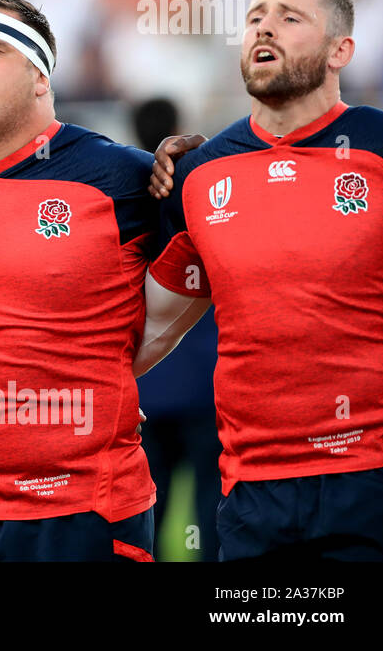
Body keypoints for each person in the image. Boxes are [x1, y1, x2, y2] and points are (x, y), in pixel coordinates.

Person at [0, 0, 208, 562]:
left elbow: (214, 266)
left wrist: (204, 174)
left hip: (86, 510)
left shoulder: (124, 177)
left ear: (40, 77)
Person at [148, 0, 383, 561]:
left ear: (341, 50)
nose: (265, 28)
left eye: (290, 18)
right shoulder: (200, 173)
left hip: (373, 478)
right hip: (251, 492)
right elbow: (153, 327)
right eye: (255, 17)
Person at [129, 97, 222, 561]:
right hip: (206, 387)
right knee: (211, 518)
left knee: (150, 515)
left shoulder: (125, 200)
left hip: (149, 390)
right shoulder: (200, 190)